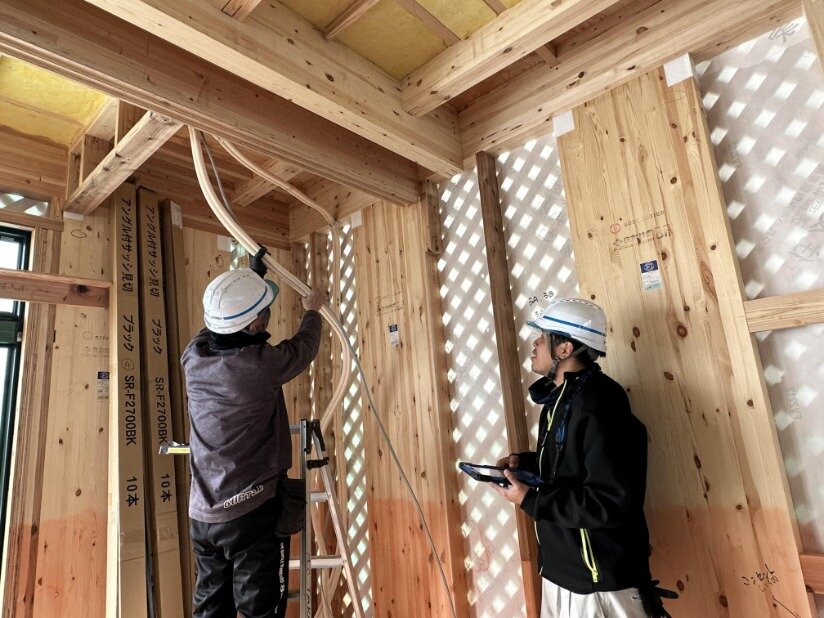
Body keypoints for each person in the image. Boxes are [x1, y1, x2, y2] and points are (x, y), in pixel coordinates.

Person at [493, 298, 676, 618]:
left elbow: (608, 501)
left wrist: (530, 500)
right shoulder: (560, 400)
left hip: (597, 586)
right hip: (562, 575)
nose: (534, 344)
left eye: (542, 337)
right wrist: (522, 464)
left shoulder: (600, 403)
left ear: (564, 349)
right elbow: (570, 466)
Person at [182, 267, 327, 618]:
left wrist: (252, 275)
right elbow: (302, 348)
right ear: (253, 324)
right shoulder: (258, 365)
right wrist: (313, 310)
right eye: (264, 311)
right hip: (251, 512)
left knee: (210, 609)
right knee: (259, 610)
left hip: (203, 514)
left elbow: (220, 322)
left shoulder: (194, 356)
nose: (267, 316)